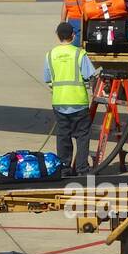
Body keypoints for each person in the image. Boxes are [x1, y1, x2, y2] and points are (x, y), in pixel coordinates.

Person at [44, 22, 97, 175]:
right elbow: (89, 76)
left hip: (59, 102)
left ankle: (64, 168)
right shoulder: (79, 53)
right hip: (78, 102)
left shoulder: (50, 55)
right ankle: (82, 168)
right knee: (82, 136)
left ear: (57, 36)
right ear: (73, 36)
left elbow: (47, 79)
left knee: (63, 136)